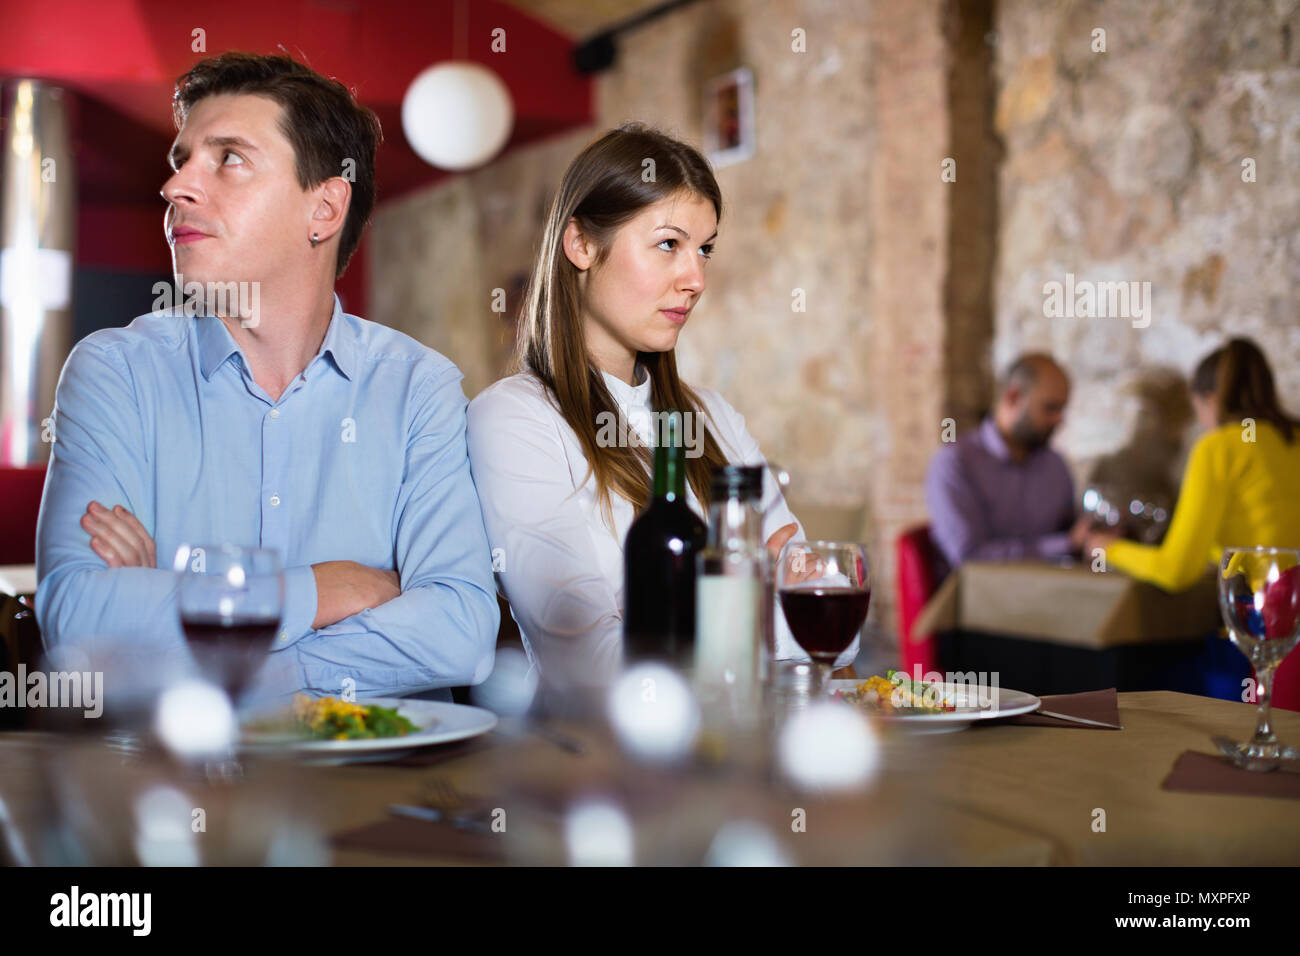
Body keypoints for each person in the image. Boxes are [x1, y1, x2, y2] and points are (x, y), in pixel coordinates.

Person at [35, 53, 499, 701]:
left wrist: (186, 621)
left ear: (324, 209)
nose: (175, 188)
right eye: (181, 160)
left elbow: (459, 635)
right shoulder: (116, 372)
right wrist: (326, 589)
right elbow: (79, 621)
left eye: (228, 158)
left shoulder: (419, 389)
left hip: (381, 789)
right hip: (172, 784)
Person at [466, 124, 856, 689]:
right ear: (580, 245)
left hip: (742, 753)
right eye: (669, 244)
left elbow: (828, 633)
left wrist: (652, 615)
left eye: (705, 249)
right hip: (604, 766)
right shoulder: (513, 420)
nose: (695, 278)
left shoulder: (714, 417)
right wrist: (752, 595)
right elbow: (587, 661)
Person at [1090, 339, 1300, 588]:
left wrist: (1107, 548)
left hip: (1271, 615)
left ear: (1210, 401)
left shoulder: (1219, 446)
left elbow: (1176, 570)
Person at [925, 353, 1090, 570]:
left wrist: (1091, 533)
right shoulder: (955, 464)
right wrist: (1066, 545)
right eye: (1051, 408)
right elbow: (971, 560)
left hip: (1050, 592)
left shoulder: (1055, 465)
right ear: (1013, 398)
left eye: (1062, 409)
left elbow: (1071, 528)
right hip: (983, 599)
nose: (1060, 420)